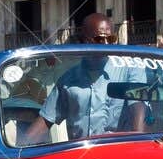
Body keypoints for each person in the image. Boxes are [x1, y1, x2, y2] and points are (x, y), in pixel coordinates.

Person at [19, 15, 138, 144]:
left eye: (111, 39)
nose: (106, 44)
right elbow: (45, 120)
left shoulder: (130, 72)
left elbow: (138, 109)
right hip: (80, 156)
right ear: (83, 41)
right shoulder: (67, 80)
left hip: (117, 155)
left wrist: (140, 150)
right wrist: (18, 150)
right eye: (99, 39)